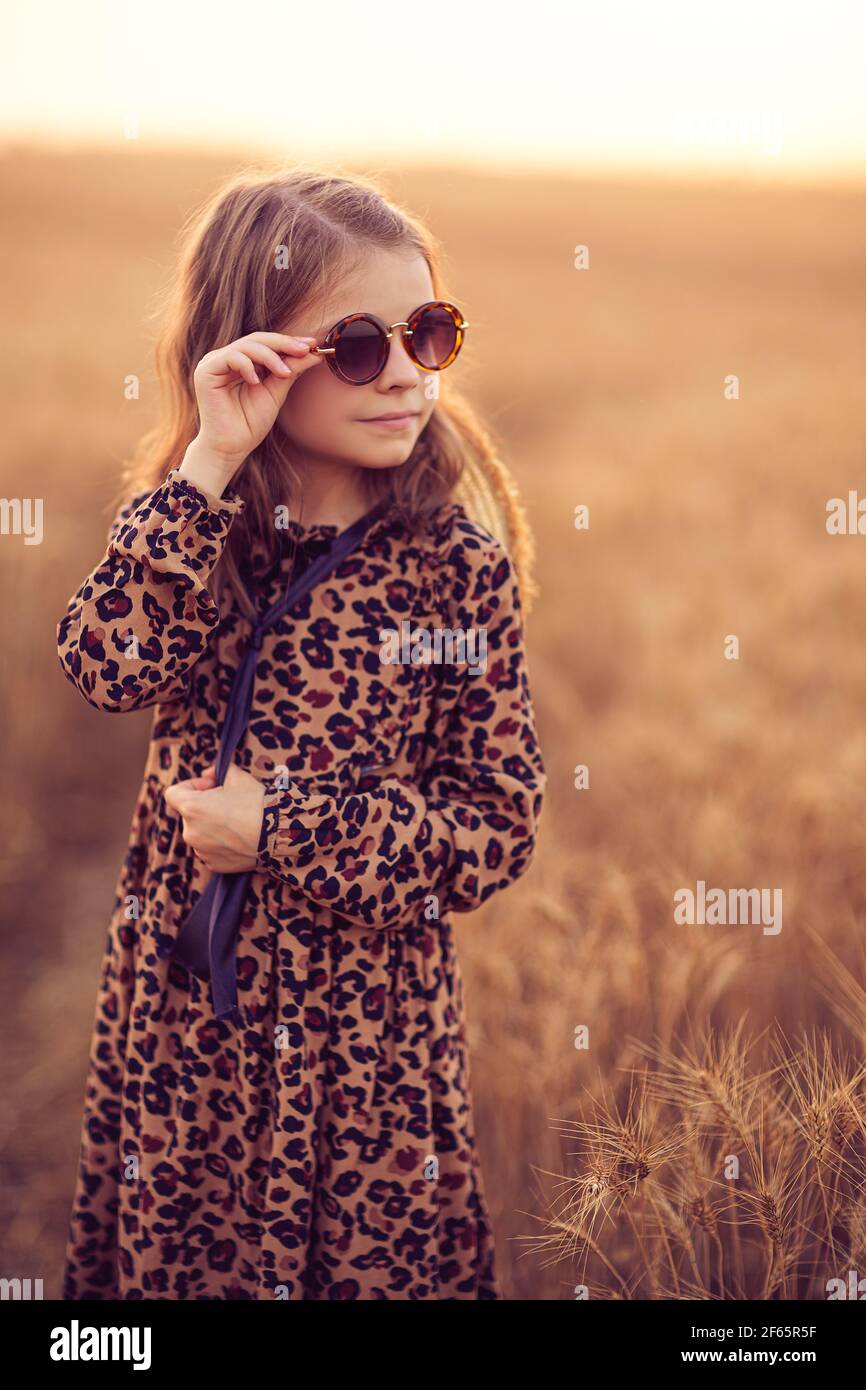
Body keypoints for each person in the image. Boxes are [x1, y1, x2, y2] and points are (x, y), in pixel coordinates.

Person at [57, 164, 547, 1300]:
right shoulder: (198, 527)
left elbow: (495, 826)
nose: (409, 375)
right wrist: (209, 461)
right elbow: (104, 665)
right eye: (361, 346)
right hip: (189, 1020)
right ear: (256, 355)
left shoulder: (452, 568)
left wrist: (280, 826)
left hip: (365, 1040)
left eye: (430, 333)